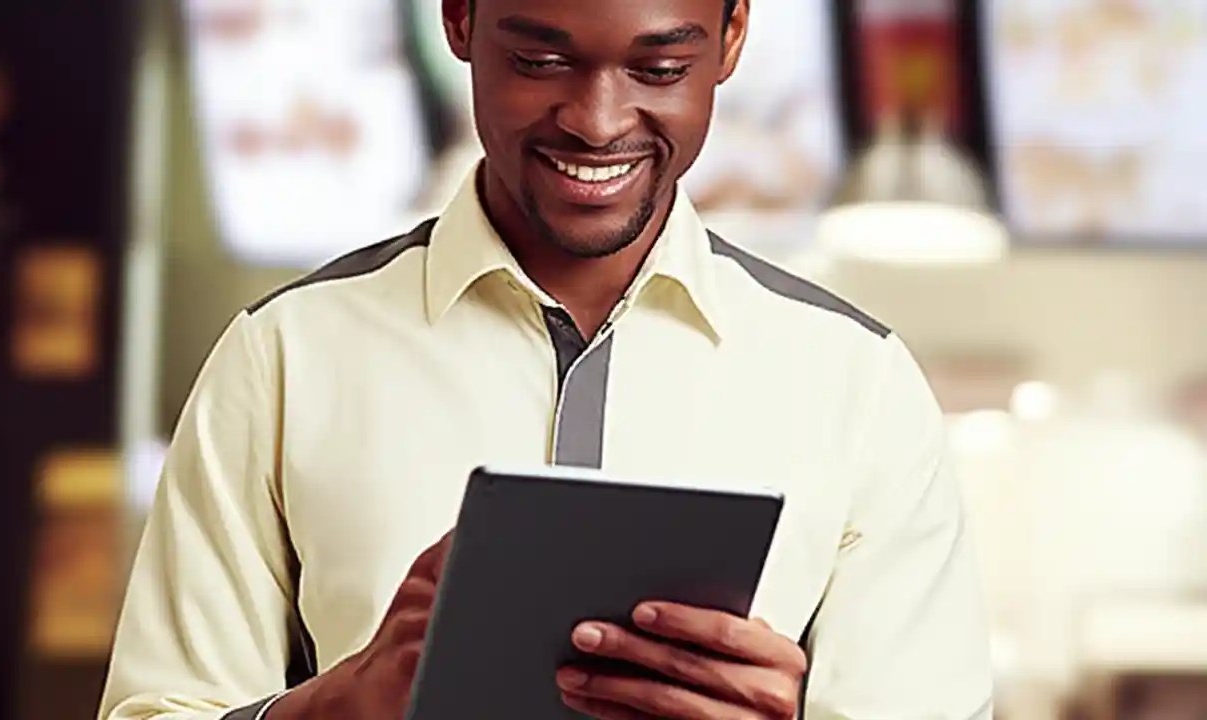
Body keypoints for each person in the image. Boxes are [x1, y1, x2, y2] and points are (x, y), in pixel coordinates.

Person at [99, 0, 994, 718]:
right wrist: (328, 711)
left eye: (660, 67)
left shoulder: (859, 384)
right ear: (459, 21)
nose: (597, 123)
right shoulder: (286, 355)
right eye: (540, 60)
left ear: (732, 37)